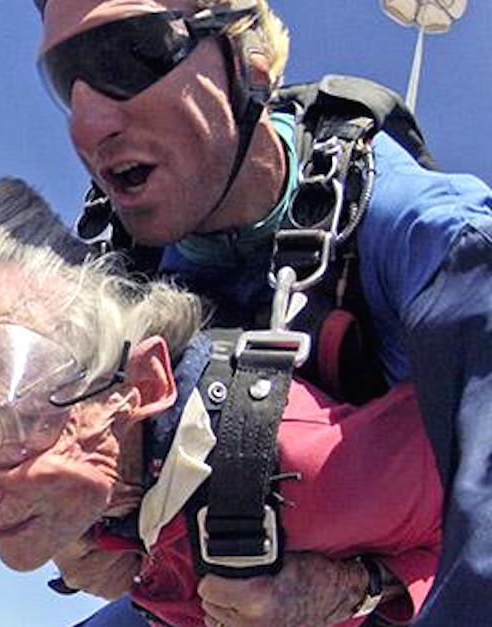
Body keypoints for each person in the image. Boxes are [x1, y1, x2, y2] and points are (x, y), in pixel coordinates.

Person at [27, 0, 492, 623]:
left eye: (128, 55)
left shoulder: (433, 237)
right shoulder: (119, 266)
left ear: (250, 65)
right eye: (66, 81)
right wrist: (89, 528)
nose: (87, 126)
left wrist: (361, 585)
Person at [0, 178, 442, 626]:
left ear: (144, 387)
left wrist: (354, 588)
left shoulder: (293, 465)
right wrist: (112, 537)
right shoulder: (108, 483)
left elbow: (471, 510)